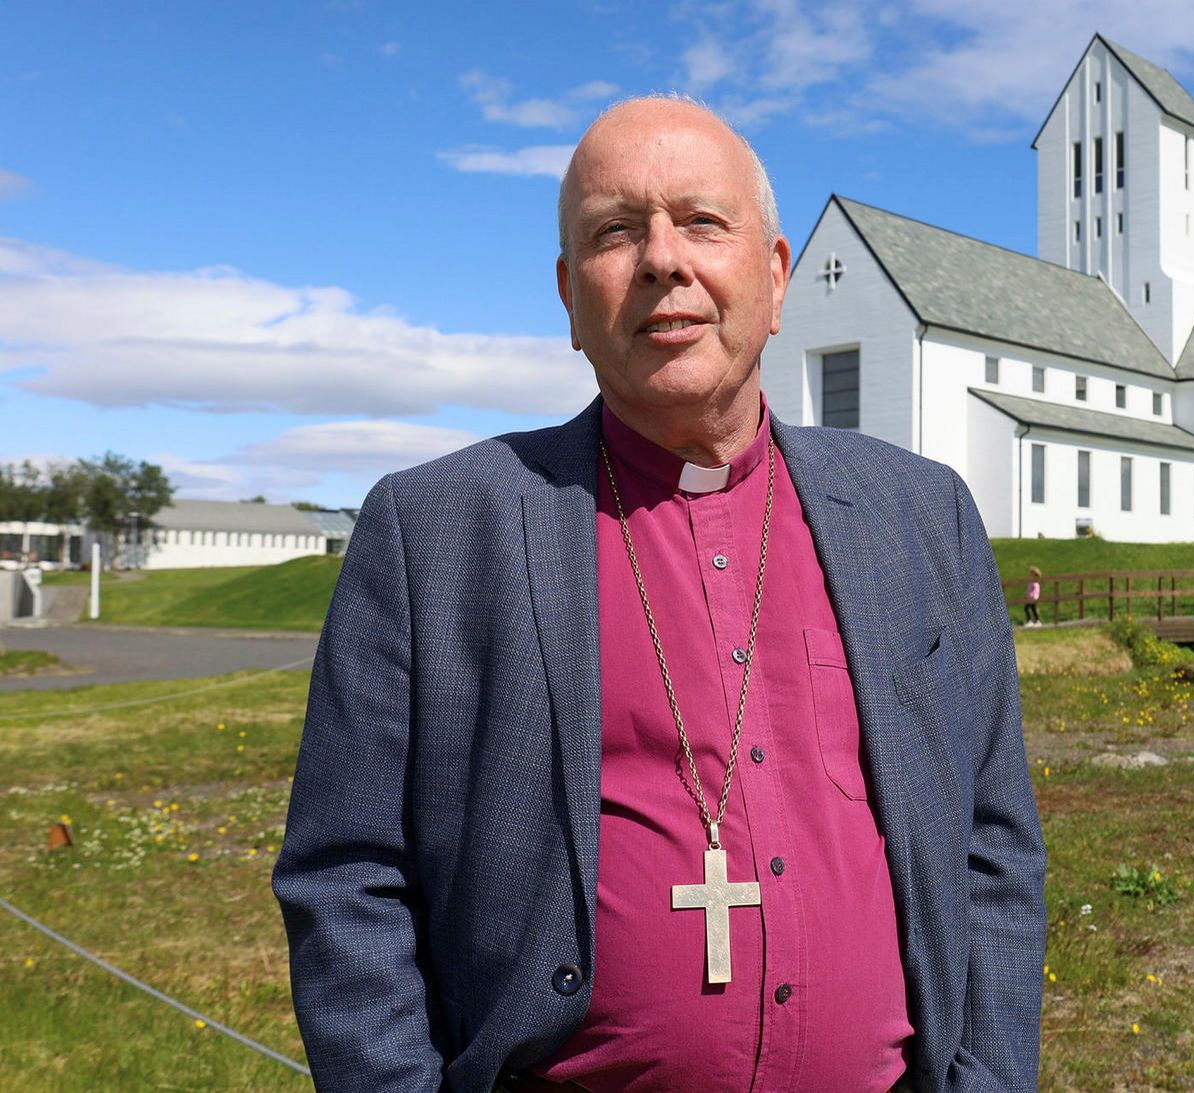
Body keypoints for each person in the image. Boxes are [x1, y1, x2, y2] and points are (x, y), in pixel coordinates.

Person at [273, 96, 1046, 1093]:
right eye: (614, 231)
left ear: (773, 278)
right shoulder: (432, 534)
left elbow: (992, 847)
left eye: (700, 221)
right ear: (568, 295)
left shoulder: (919, 516)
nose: (662, 259)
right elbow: (347, 879)